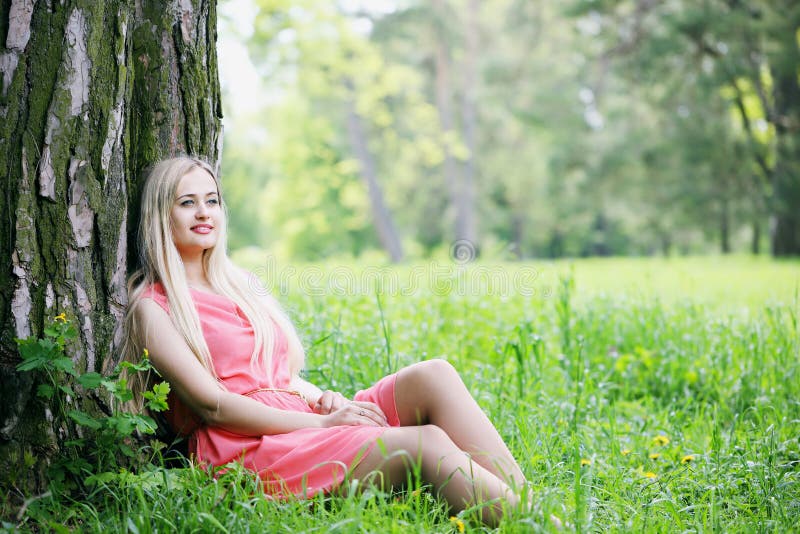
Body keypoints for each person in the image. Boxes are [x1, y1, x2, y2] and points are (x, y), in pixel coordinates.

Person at [123, 156, 526, 525]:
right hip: (248, 447)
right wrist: (323, 423)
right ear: (161, 214)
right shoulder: (154, 307)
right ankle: (534, 525)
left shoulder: (240, 284)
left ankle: (524, 506)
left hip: (301, 420)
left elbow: (280, 377)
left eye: (211, 200)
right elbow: (214, 406)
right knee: (426, 442)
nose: (204, 212)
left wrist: (323, 400)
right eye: (187, 203)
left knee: (433, 375)